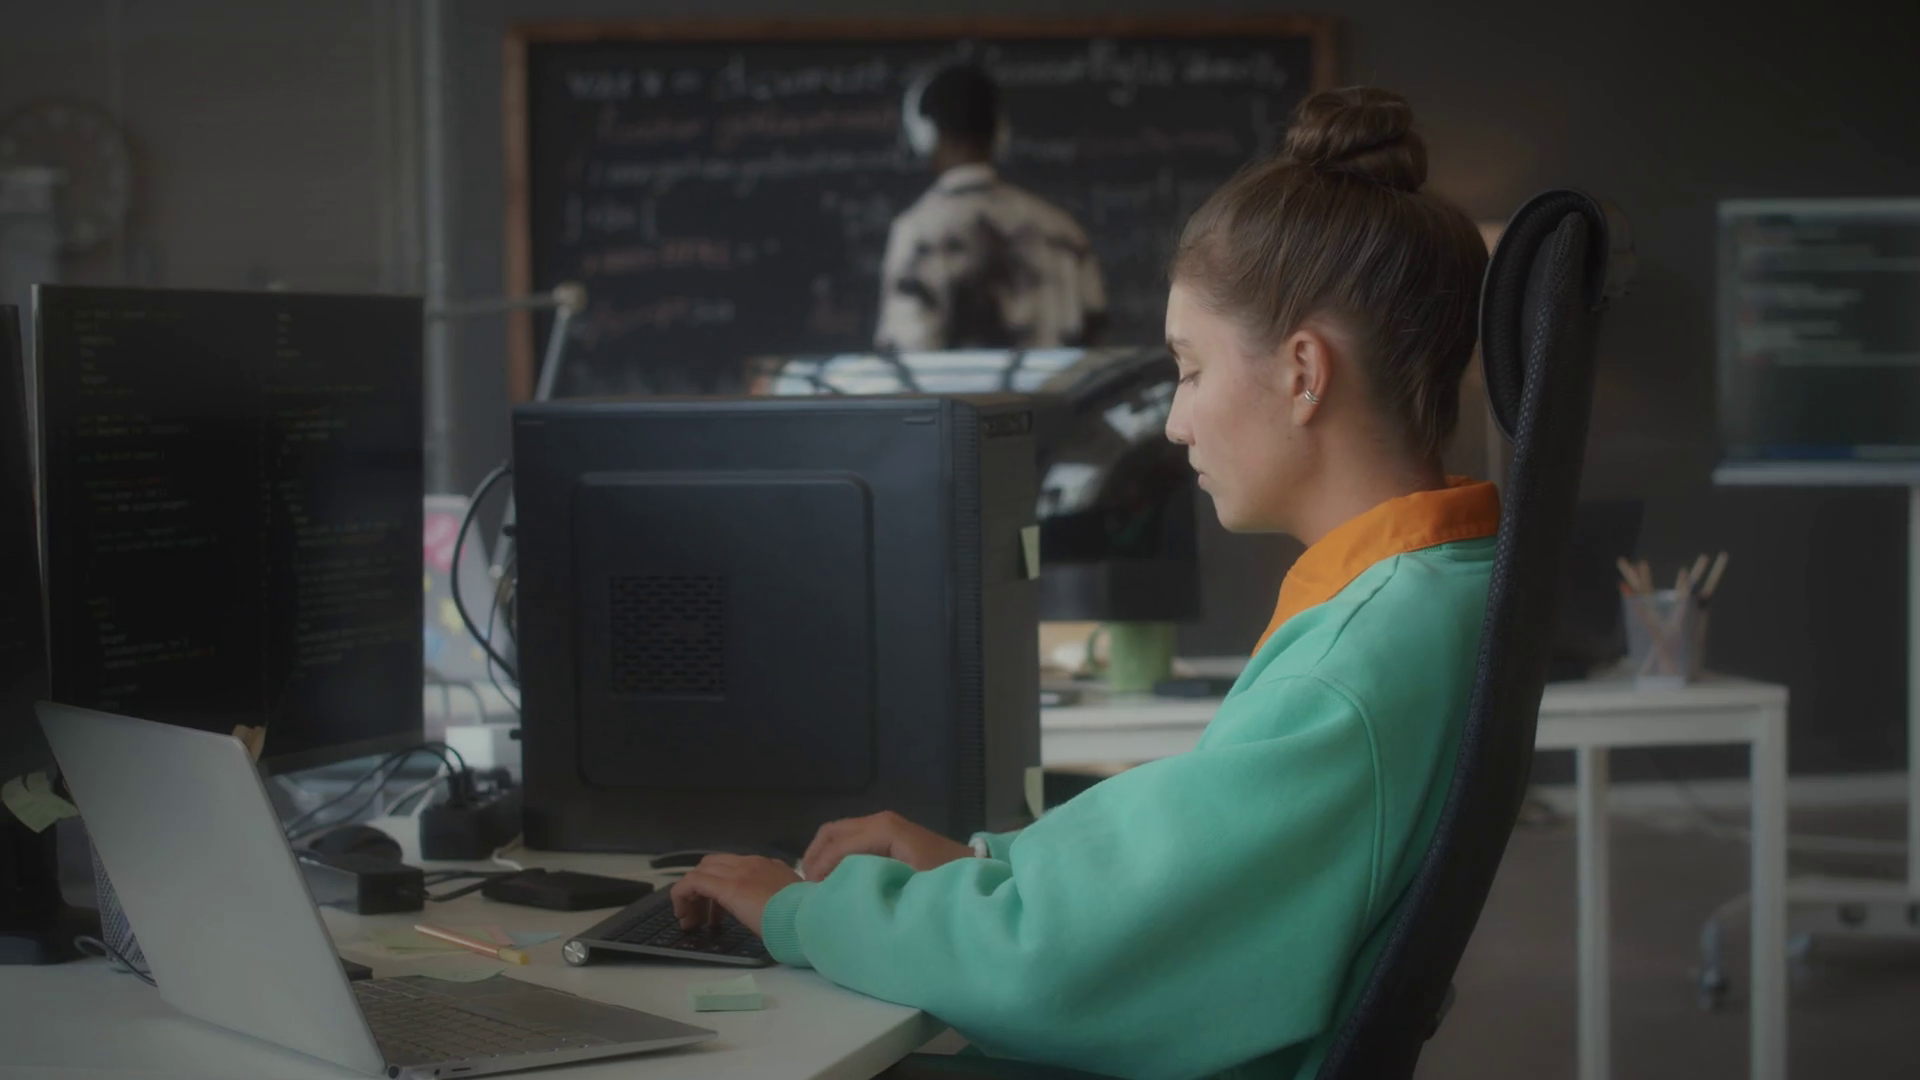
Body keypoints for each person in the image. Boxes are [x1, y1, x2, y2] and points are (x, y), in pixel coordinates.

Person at [674, 87, 1496, 1080]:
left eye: (1189, 371)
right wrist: (982, 868)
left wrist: (802, 909)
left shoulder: (1354, 669)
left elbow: (1055, 963)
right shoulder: (1439, 590)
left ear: (1304, 372)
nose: (1176, 422)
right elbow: (1186, 865)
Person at [874, 63, 1108, 351]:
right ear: (1001, 131)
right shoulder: (1063, 230)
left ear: (925, 133)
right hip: (1057, 397)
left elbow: (905, 353)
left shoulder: (916, 233)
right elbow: (1095, 342)